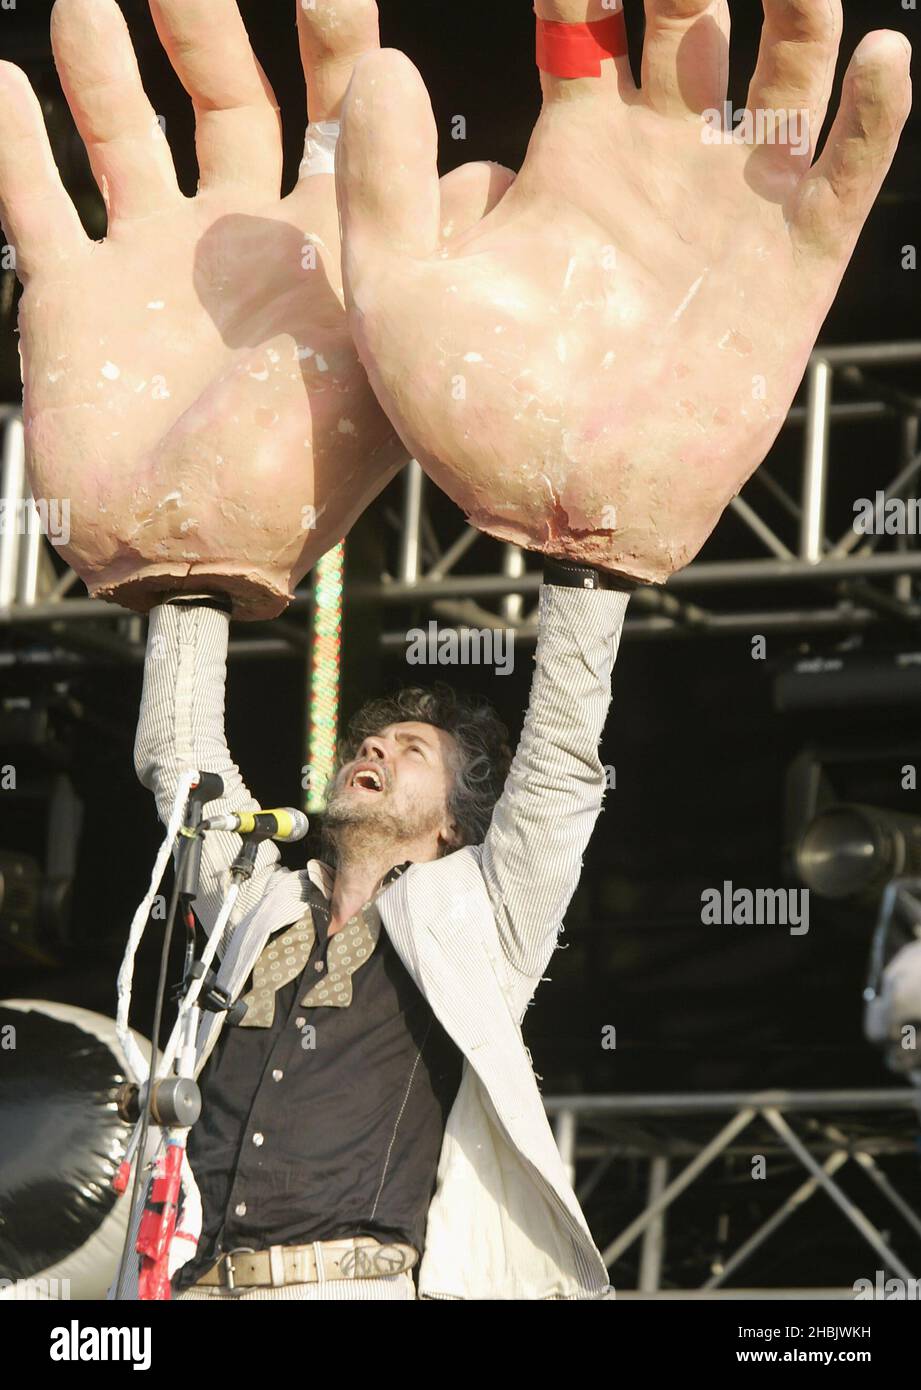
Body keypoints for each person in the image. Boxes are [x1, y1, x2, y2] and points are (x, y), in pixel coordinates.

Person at [129, 560, 633, 1301]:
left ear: (452, 822)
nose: (373, 750)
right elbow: (182, 769)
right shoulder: (256, 898)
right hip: (186, 1285)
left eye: (410, 750)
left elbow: (558, 765)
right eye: (370, 744)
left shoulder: (483, 916)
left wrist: (583, 572)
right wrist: (190, 580)